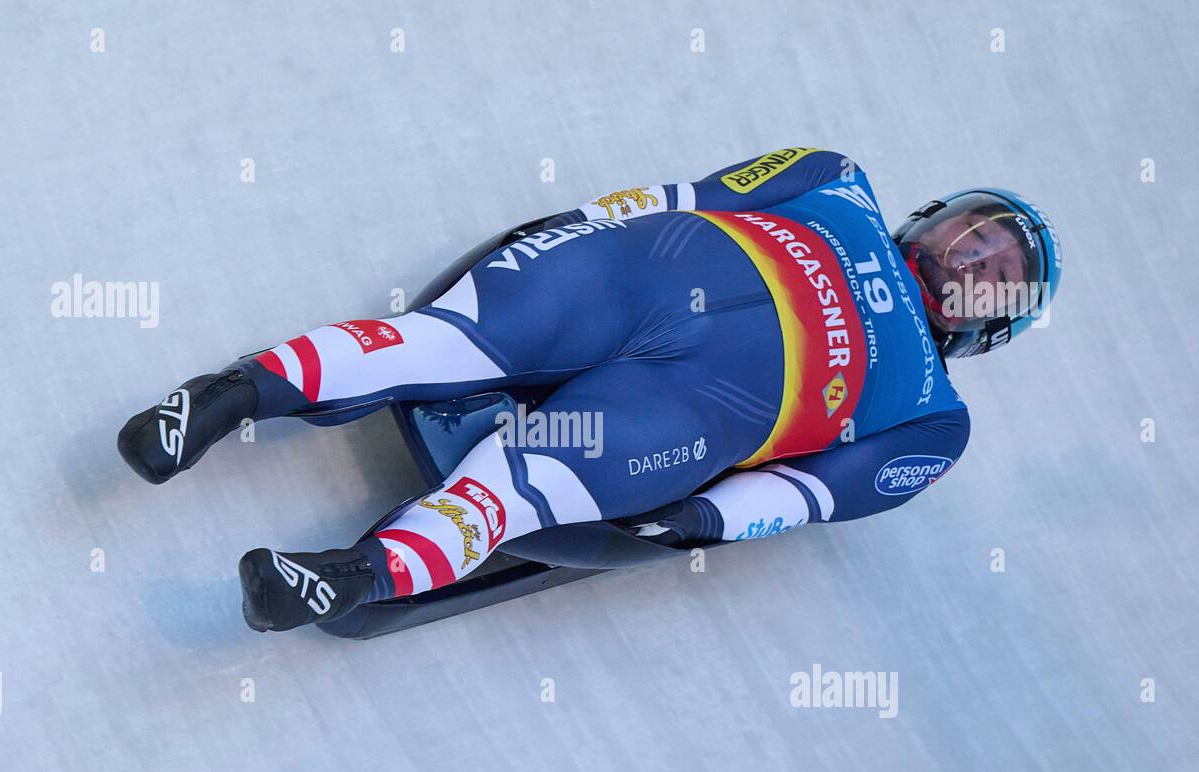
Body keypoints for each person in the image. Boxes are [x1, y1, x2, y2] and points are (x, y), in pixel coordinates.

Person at [118, 147, 1062, 632]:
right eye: (977, 233)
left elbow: (812, 493)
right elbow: (686, 197)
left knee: (514, 481)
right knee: (446, 341)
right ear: (937, 213)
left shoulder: (935, 421)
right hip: (626, 278)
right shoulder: (834, 180)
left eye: (994, 271)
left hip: (690, 409)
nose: (972, 256)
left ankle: (344, 577)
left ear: (990, 323)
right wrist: (575, 230)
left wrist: (707, 522)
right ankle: (226, 399)